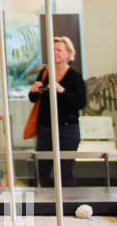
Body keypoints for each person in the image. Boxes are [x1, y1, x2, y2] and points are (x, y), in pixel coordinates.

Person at [28, 37, 86, 187]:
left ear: (68, 53)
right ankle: (45, 207)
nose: (55, 54)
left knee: (65, 171)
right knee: (42, 170)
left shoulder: (75, 77)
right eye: (52, 50)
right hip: (46, 129)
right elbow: (34, 99)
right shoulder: (44, 73)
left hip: (68, 130)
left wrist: (62, 90)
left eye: (59, 50)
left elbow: (80, 103)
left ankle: (68, 205)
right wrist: (34, 91)